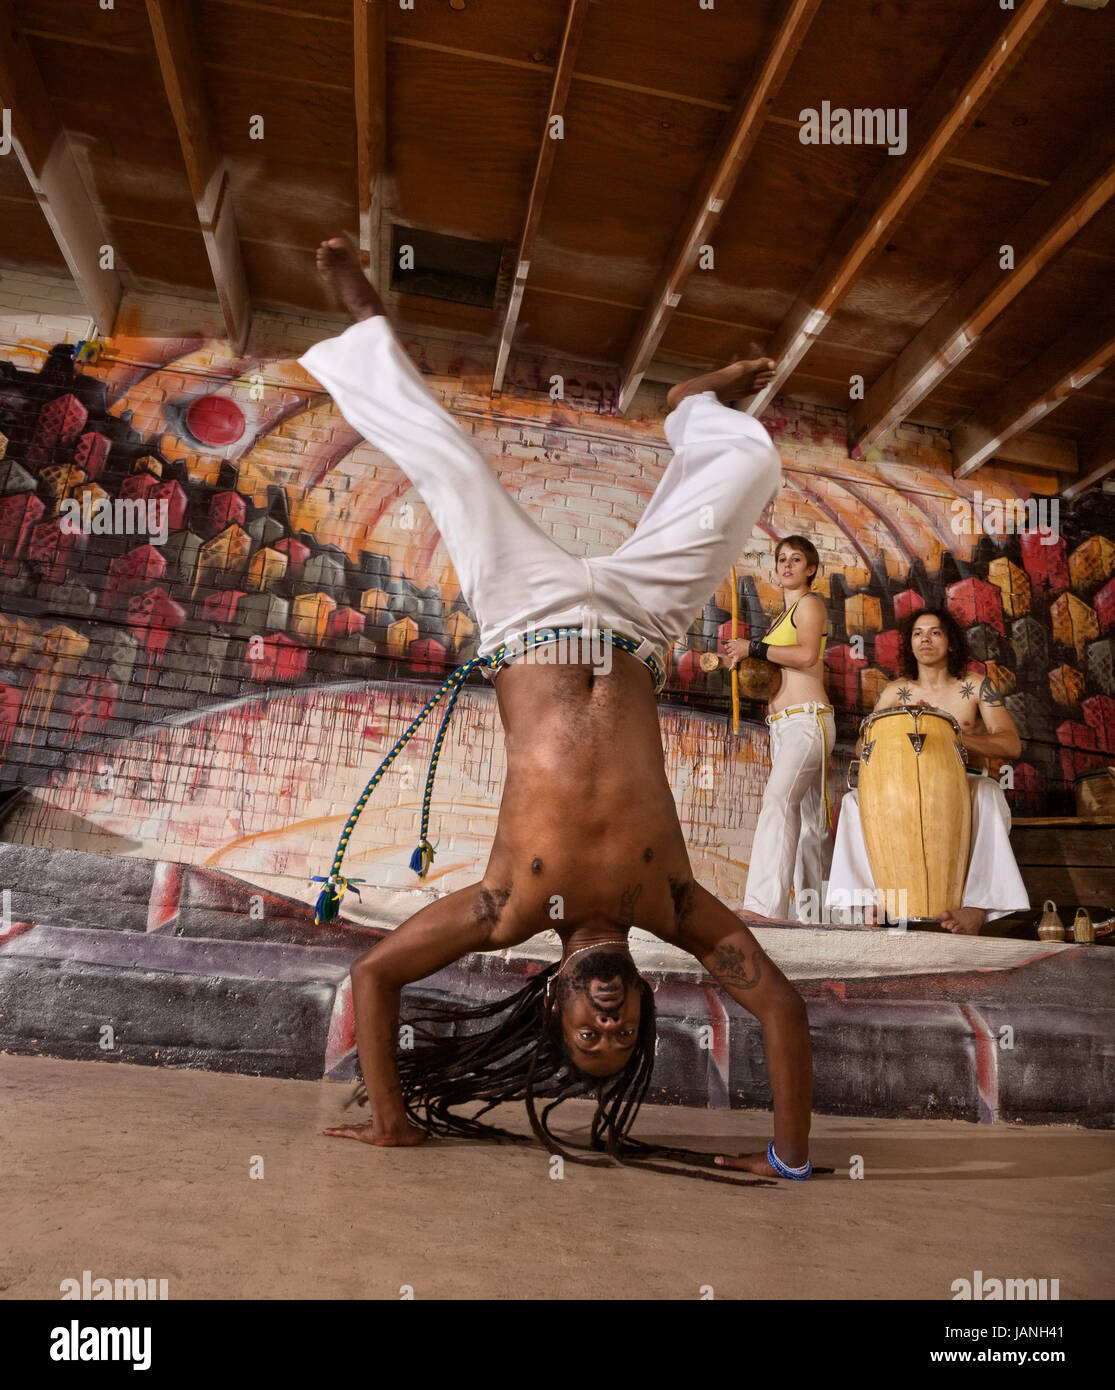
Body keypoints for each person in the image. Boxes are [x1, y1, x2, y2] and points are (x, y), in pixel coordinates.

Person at [298, 237, 815, 1183]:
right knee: (752, 473)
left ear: (553, 1006)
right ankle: (692, 412)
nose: (605, 1023)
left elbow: (373, 978)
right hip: (636, 624)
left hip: (525, 611)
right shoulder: (676, 905)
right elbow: (781, 1010)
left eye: (588, 1036)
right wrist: (785, 1161)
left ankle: (363, 320)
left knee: (449, 461)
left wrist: (391, 1125)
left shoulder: (503, 909)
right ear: (643, 1011)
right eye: (620, 1039)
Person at [826, 607, 1029, 934]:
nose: (926, 639)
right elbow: (865, 746)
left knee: (989, 791)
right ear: (910, 643)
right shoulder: (895, 692)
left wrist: (947, 731)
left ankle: (975, 908)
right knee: (853, 802)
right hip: (901, 789)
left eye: (935, 632)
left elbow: (1010, 745)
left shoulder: (975, 686)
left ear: (950, 643)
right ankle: (873, 901)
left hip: (958, 783)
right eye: (918, 633)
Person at [723, 536, 832, 921]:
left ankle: (764, 908)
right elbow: (773, 668)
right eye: (782, 559)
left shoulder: (810, 604)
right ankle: (812, 918)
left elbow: (806, 654)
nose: (786, 565)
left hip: (808, 719)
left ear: (811, 568)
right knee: (808, 828)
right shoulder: (779, 619)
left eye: (796, 559)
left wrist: (752, 649)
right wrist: (739, 661)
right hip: (783, 727)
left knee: (778, 803)